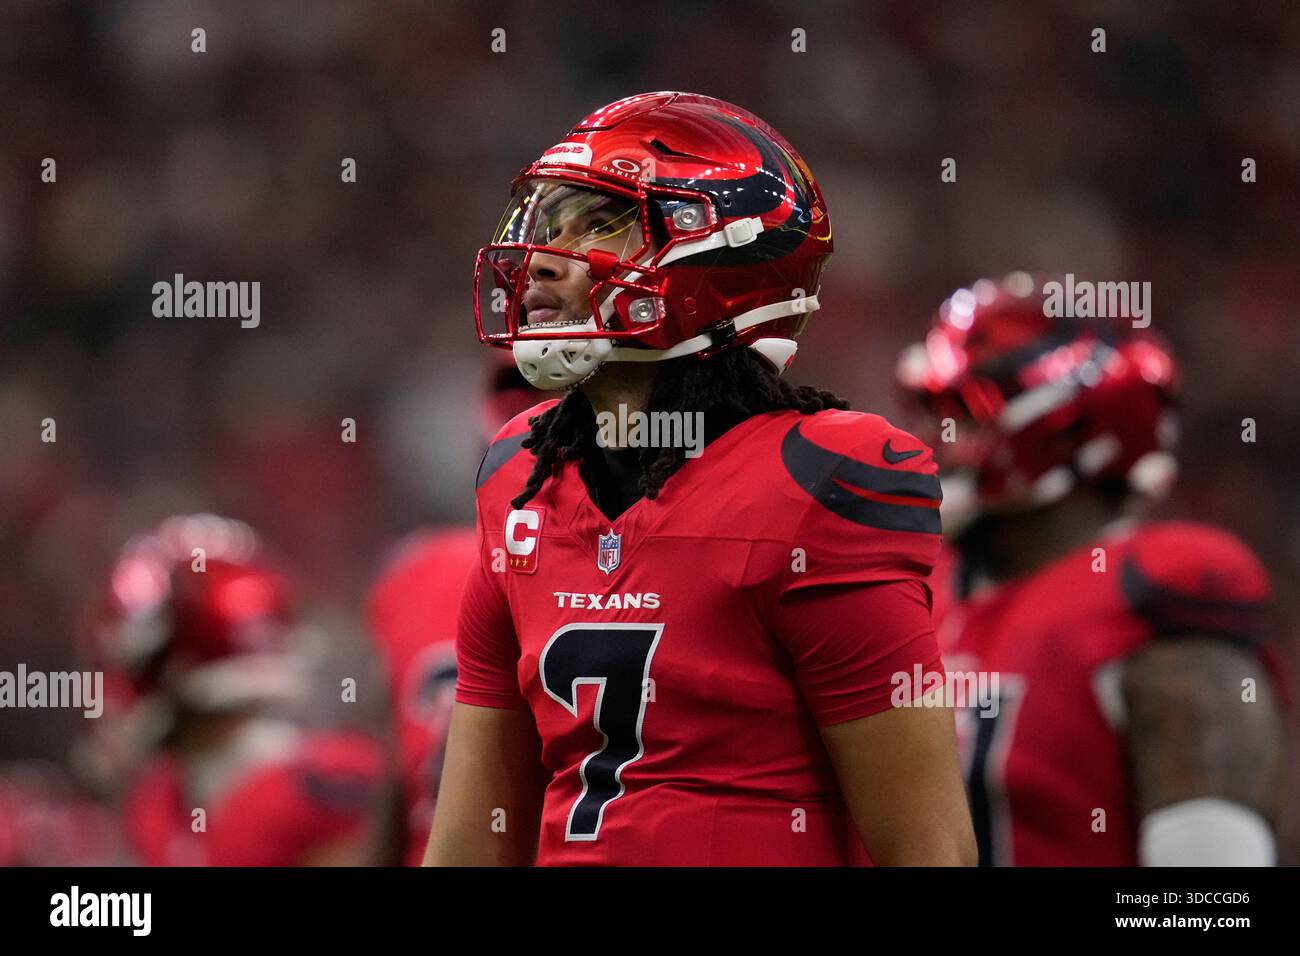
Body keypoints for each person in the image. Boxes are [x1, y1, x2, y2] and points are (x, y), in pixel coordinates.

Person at [425, 91, 976, 866]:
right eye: (553, 223)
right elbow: (471, 842)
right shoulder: (518, 474)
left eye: (604, 223)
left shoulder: (817, 482)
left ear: (717, 261)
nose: (547, 255)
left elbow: (926, 852)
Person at [895, 272, 1286, 865]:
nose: (932, 441)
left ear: (1067, 426)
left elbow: (1211, 899)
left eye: (964, 417)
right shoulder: (915, 590)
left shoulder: (1152, 589)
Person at [82, 513, 383, 866]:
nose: (115, 688)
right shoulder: (161, 803)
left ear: (181, 664)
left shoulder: (317, 789)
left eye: (131, 666)